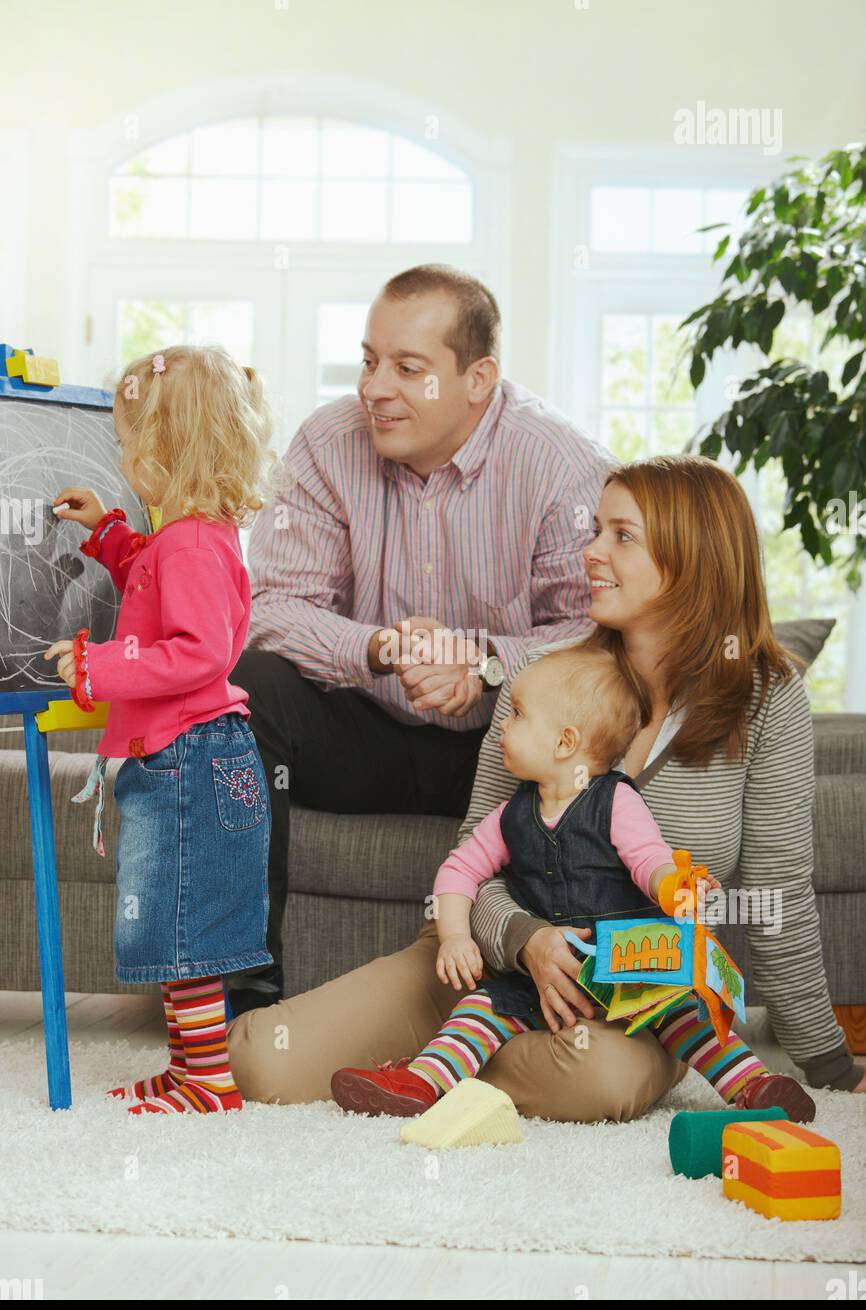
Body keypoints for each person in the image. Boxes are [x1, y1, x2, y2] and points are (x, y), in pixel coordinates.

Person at [227, 455, 865, 1117]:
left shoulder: (768, 697)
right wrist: (526, 939)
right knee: (258, 1059)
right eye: (595, 529)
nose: (590, 552)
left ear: (694, 558)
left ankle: (432, 1069)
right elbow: (479, 852)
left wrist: (829, 1064)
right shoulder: (541, 675)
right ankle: (446, 1055)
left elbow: (777, 893)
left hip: (639, 995)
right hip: (483, 961)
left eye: (621, 535)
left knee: (597, 1081)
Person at [227, 262, 615, 1014]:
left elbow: (600, 632)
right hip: (364, 731)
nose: (375, 387)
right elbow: (271, 605)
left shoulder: (562, 465)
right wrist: (385, 648)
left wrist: (486, 661)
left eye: (409, 368)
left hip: (505, 749)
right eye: (370, 360)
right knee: (253, 683)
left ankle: (557, 998)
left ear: (479, 379)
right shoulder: (326, 444)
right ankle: (245, 992)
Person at [329, 645, 816, 1123]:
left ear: (565, 743)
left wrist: (675, 889)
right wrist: (455, 935)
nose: (502, 723)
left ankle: (753, 1085)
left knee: (690, 1016)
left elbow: (650, 859)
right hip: (543, 981)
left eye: (517, 714)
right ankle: (422, 1083)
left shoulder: (616, 802)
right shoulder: (510, 816)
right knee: (478, 1009)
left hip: (628, 967)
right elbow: (460, 871)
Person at [45, 344, 276, 1115]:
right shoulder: (187, 539)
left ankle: (207, 1080)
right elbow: (151, 579)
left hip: (190, 759)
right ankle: (190, 1069)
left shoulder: (190, 545)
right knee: (180, 926)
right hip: (192, 758)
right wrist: (109, 533)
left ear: (163, 450)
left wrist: (96, 667)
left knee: (186, 926)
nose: (122, 458)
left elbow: (198, 650)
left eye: (126, 445)